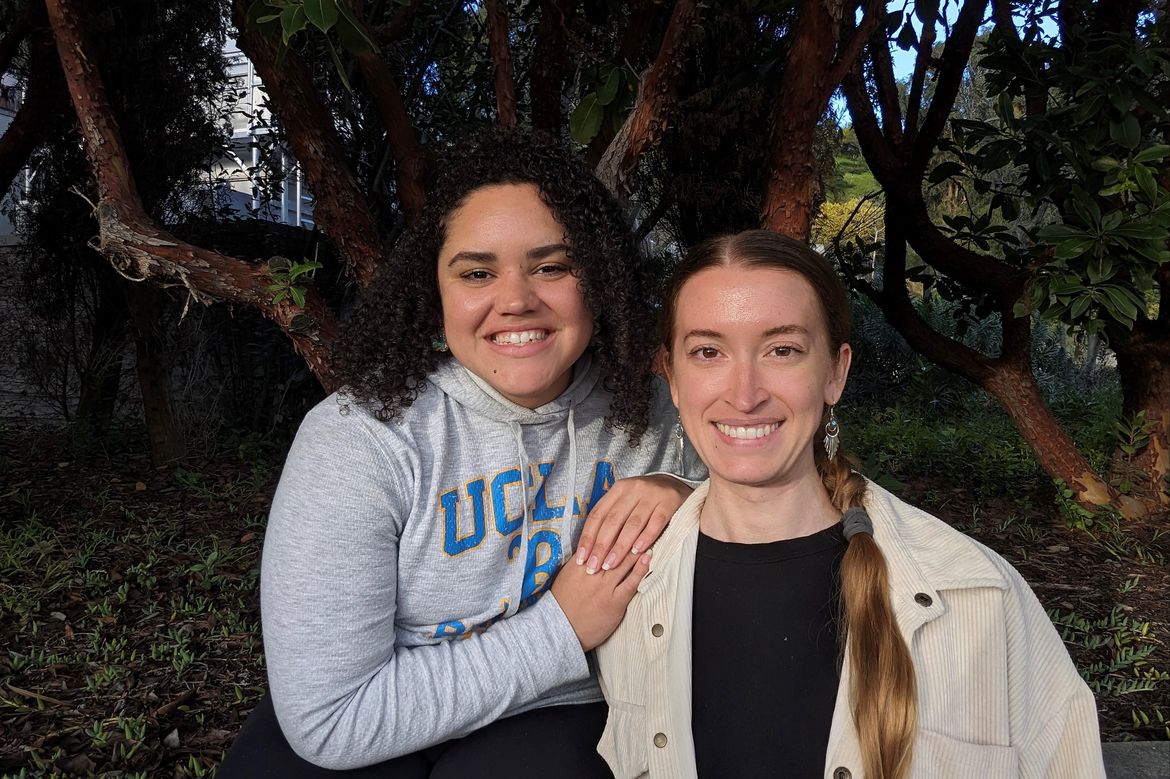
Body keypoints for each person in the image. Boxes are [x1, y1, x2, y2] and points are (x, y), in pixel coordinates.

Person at [218, 130, 703, 777]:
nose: (516, 299)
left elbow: (796, 505)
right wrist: (562, 625)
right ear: (435, 289)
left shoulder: (661, 409)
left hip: (554, 713)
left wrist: (689, 490)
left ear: (601, 276)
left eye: (552, 266)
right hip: (374, 708)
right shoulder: (361, 438)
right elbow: (330, 717)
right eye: (478, 272)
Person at [580, 230, 1105, 779]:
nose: (744, 392)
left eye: (782, 350)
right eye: (708, 352)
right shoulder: (629, 584)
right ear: (673, 378)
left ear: (835, 371)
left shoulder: (975, 594)